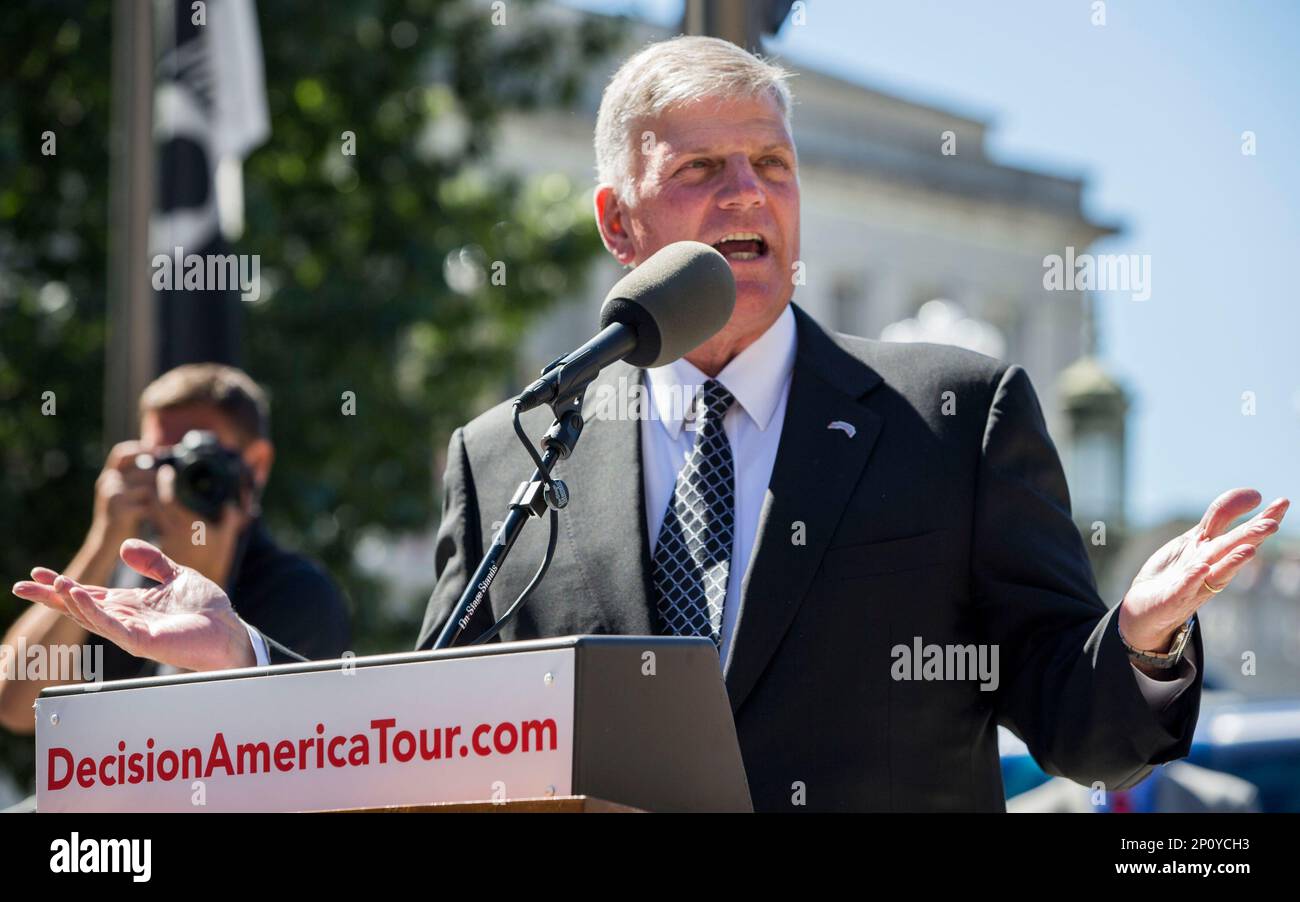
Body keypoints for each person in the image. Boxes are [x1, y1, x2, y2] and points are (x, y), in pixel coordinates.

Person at [11, 38, 1288, 811]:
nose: (749, 194)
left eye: (771, 167)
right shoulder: (512, 449)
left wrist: (1138, 636)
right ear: (621, 226)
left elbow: (1079, 724)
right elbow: (431, 739)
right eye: (702, 171)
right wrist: (245, 661)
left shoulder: (949, 414)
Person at [0, 363, 350, 734]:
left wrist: (206, 580)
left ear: (257, 463)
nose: (176, 482)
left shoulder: (300, 593)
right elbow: (16, 706)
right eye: (163, 461)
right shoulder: (124, 573)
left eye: (201, 463)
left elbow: (252, 747)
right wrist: (103, 540)